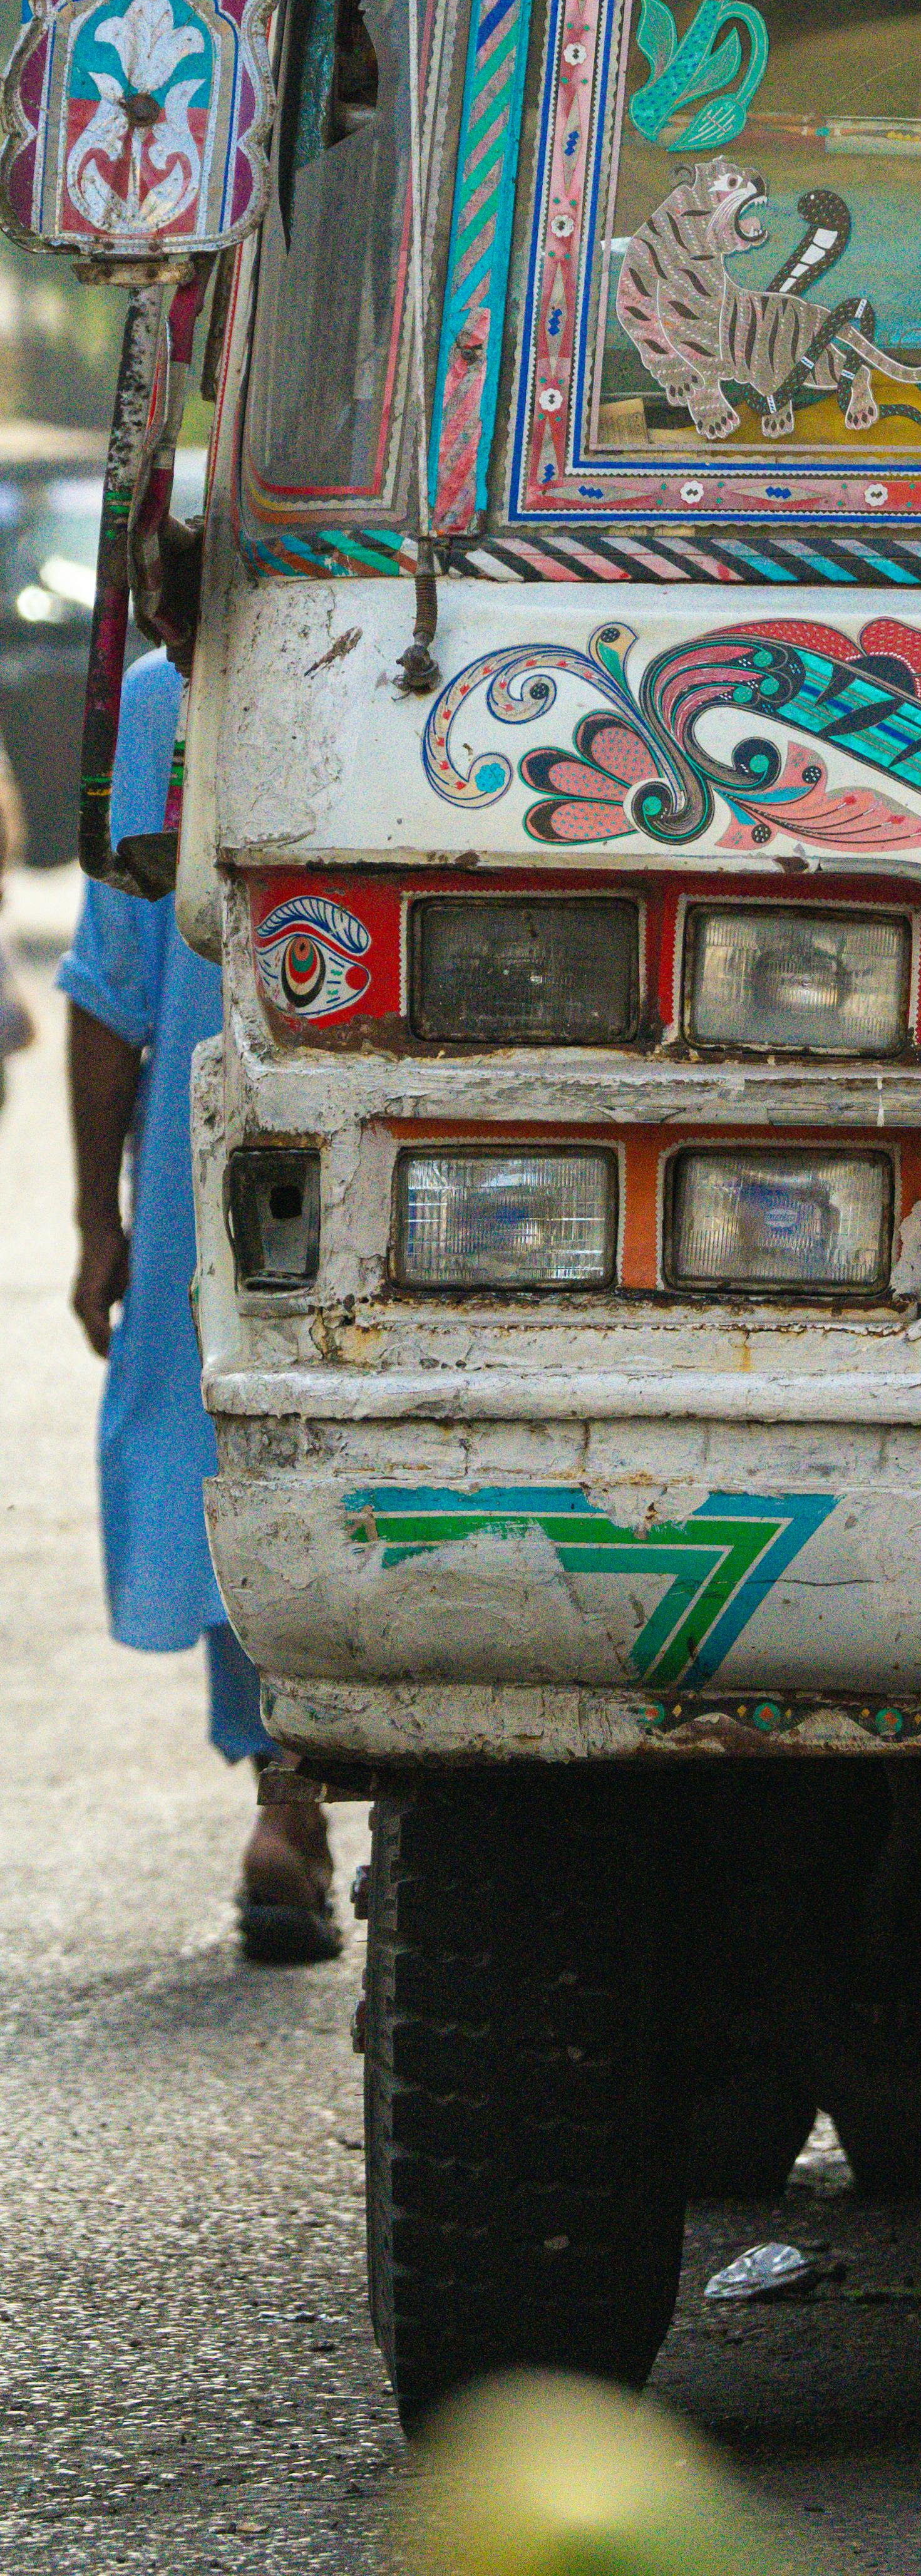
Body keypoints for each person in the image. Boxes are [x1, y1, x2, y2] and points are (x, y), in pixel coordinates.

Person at [60, 525, 339, 1959]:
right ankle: (290, 1790)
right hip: (226, 1141)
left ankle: (295, 1795)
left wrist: (99, 1213)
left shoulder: (200, 694)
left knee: (260, 1428)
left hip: (255, 1137)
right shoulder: (171, 705)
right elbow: (111, 976)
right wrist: (95, 1214)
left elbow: (108, 986)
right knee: (250, 1435)